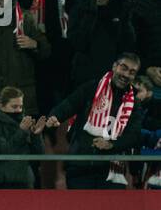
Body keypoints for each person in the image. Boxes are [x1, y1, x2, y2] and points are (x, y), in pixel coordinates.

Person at [45, 53, 144, 189]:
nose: (126, 75)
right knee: (80, 209)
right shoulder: (91, 88)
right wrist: (54, 117)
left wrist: (111, 145)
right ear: (114, 66)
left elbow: (134, 135)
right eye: (124, 68)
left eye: (132, 72)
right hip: (80, 166)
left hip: (112, 172)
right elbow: (68, 105)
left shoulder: (135, 104)